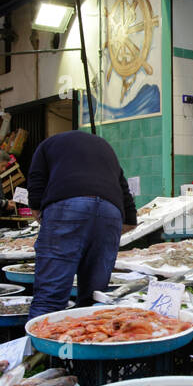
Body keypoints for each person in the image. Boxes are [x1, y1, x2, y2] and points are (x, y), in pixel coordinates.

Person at [26, 130, 137, 317]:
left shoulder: (46, 145)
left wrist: (52, 228)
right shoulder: (105, 147)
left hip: (68, 206)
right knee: (94, 298)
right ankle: (90, 341)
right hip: (111, 212)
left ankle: (42, 346)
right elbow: (129, 214)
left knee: (50, 299)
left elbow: (36, 188)